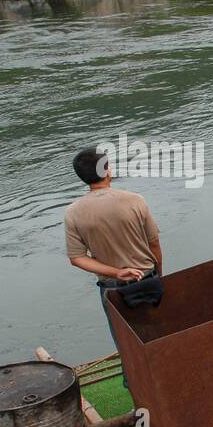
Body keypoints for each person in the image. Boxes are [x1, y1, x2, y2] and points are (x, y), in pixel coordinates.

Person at [64, 147, 162, 365]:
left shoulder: (73, 212)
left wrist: (117, 272)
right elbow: (154, 243)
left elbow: (77, 257)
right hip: (146, 279)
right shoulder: (134, 200)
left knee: (127, 345)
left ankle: (135, 386)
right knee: (158, 336)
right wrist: (159, 275)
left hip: (112, 288)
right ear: (107, 170)